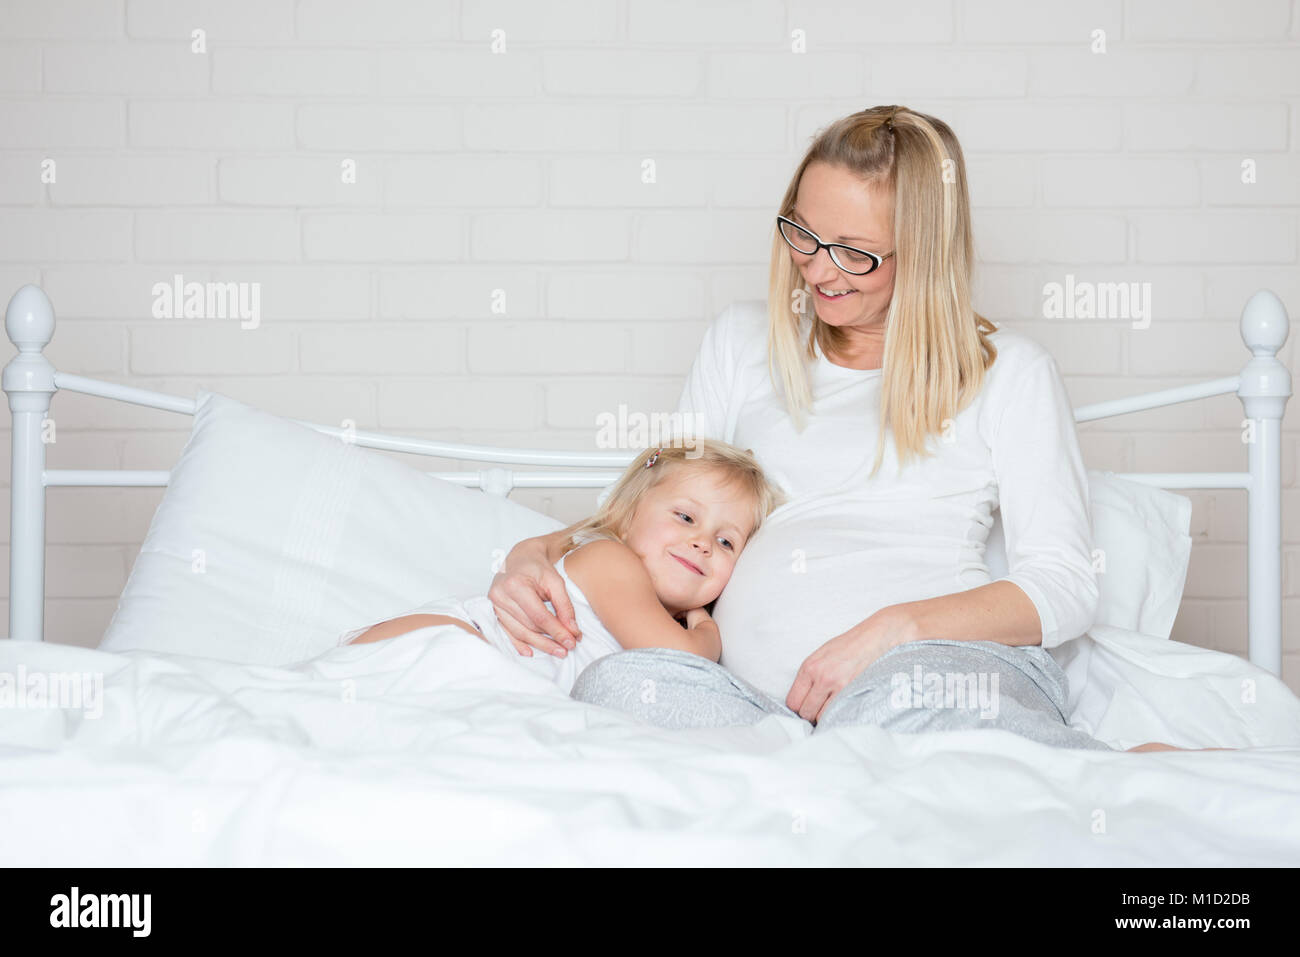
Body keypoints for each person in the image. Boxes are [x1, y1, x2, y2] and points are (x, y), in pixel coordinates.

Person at [488, 105, 1221, 754]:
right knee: (620, 689)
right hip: (761, 709)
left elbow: (1064, 586)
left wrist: (892, 631)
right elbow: (652, 509)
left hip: (926, 672)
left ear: (924, 255)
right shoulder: (740, 345)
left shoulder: (1010, 374)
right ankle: (814, 786)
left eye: (854, 251)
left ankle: (1103, 773)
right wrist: (535, 552)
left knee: (908, 706)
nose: (817, 269)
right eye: (802, 234)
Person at [337, 440, 786, 695]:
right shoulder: (612, 561)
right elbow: (680, 660)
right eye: (685, 517)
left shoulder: (640, 602)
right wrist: (706, 629)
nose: (702, 542)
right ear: (629, 517)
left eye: (726, 541)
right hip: (446, 645)